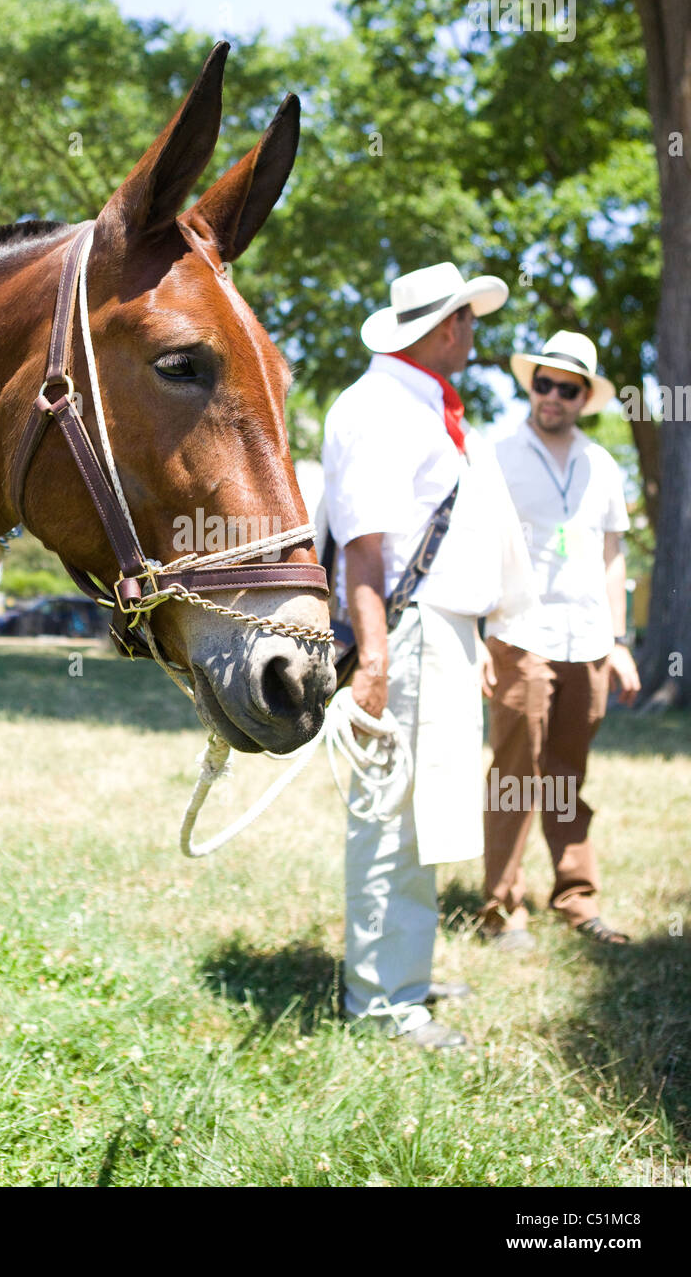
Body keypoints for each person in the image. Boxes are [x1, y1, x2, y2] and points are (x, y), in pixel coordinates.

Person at [322, 261, 535, 1049]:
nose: (474, 333)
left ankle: (401, 971)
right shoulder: (381, 408)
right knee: (392, 819)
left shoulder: (422, 405)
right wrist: (373, 659)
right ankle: (381, 1000)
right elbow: (365, 549)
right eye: (469, 321)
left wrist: (467, 633)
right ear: (446, 327)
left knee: (425, 813)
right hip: (400, 634)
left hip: (432, 631)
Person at [482, 331, 642, 950]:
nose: (551, 395)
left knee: (568, 775)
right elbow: (478, 550)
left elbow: (610, 553)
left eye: (565, 388)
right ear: (531, 386)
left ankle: (577, 896)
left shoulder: (601, 464)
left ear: (584, 398)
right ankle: (502, 908)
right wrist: (480, 636)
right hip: (519, 634)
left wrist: (620, 639)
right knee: (517, 774)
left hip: (589, 639)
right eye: (542, 383)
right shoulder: (495, 455)